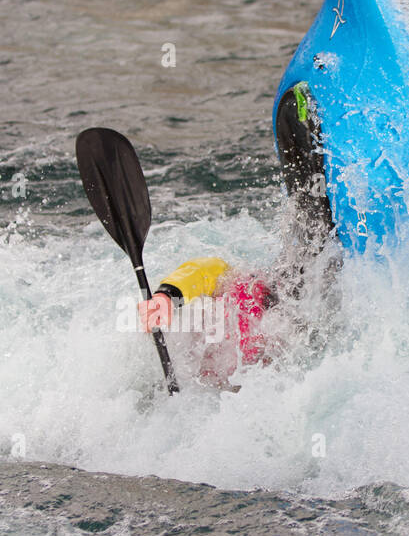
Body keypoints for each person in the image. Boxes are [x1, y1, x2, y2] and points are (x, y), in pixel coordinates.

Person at [137, 82, 340, 385]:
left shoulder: (232, 318)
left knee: (308, 261)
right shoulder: (231, 392)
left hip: (282, 292)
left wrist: (168, 295)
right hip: (294, 341)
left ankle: (309, 158)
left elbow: (210, 270)